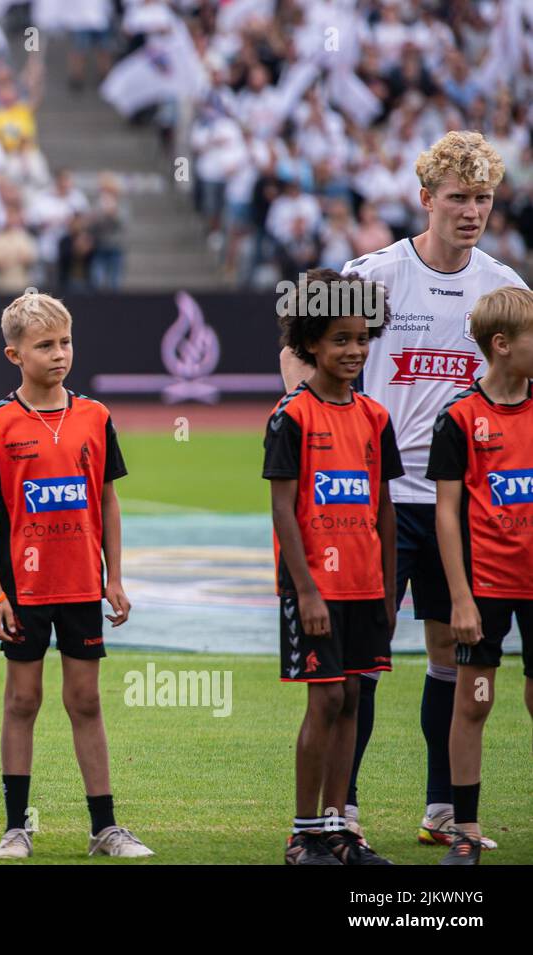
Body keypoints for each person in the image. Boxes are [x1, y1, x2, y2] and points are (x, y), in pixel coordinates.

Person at [280, 132, 528, 848]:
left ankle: (443, 804)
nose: (472, 211)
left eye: (483, 198)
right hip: (376, 501)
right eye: (457, 197)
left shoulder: (505, 287)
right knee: (364, 657)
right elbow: (297, 342)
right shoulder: (376, 272)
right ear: (426, 199)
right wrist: (308, 428)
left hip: (465, 503)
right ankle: (344, 807)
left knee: (454, 649)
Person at [0, 291, 151, 861]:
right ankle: (16, 827)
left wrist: (113, 577)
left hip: (80, 586)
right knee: (23, 700)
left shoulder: (95, 416)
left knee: (86, 701)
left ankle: (105, 828)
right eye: (44, 345)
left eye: (65, 342)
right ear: (13, 354)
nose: (59, 353)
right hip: (23, 590)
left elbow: (110, 501)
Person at [268, 269, 401, 865]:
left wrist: (389, 593)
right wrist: (307, 591)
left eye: (362, 338)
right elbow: (283, 509)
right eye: (339, 339)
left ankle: (339, 829)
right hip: (314, 588)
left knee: (352, 697)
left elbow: (384, 508)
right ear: (310, 345)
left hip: (366, 585)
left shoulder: (375, 416)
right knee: (323, 702)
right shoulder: (292, 416)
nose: (353, 351)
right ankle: (304, 836)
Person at [427, 286, 533, 865]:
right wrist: (460, 598)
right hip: (486, 588)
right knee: (475, 701)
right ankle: (463, 829)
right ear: (502, 346)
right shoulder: (460, 418)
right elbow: (447, 513)